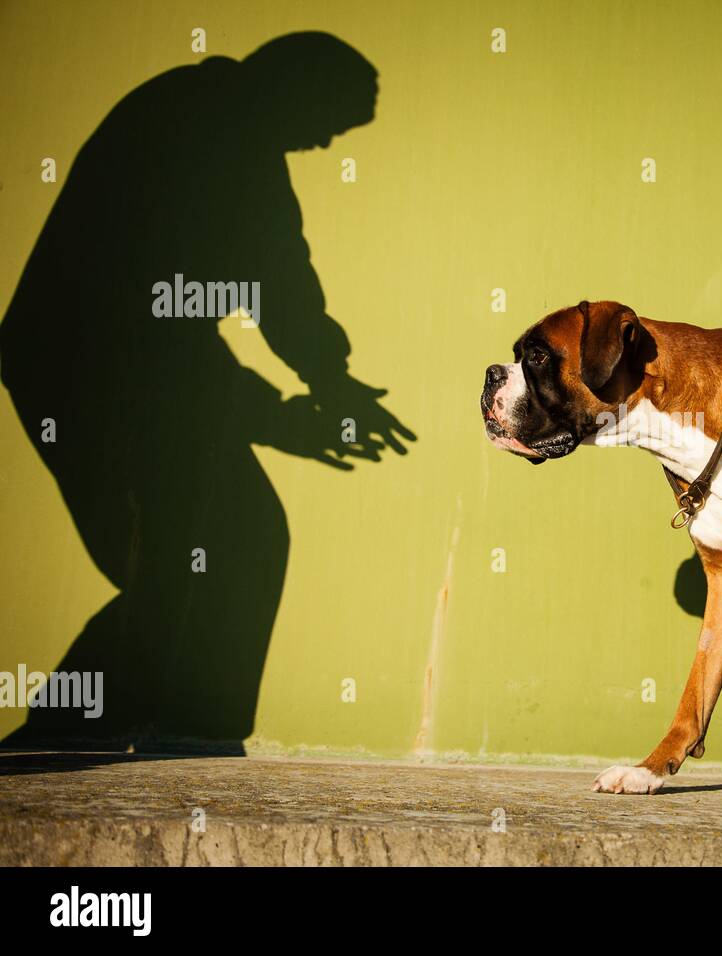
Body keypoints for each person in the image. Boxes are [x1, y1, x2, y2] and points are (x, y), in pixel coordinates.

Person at [0, 32, 414, 748]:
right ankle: (153, 732)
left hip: (107, 367)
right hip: (88, 368)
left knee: (206, 548)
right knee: (215, 543)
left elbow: (265, 292)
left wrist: (322, 387)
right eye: (330, 123)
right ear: (297, 88)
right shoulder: (209, 129)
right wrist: (309, 398)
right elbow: (206, 313)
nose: (323, 144)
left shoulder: (219, 123)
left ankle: (122, 730)